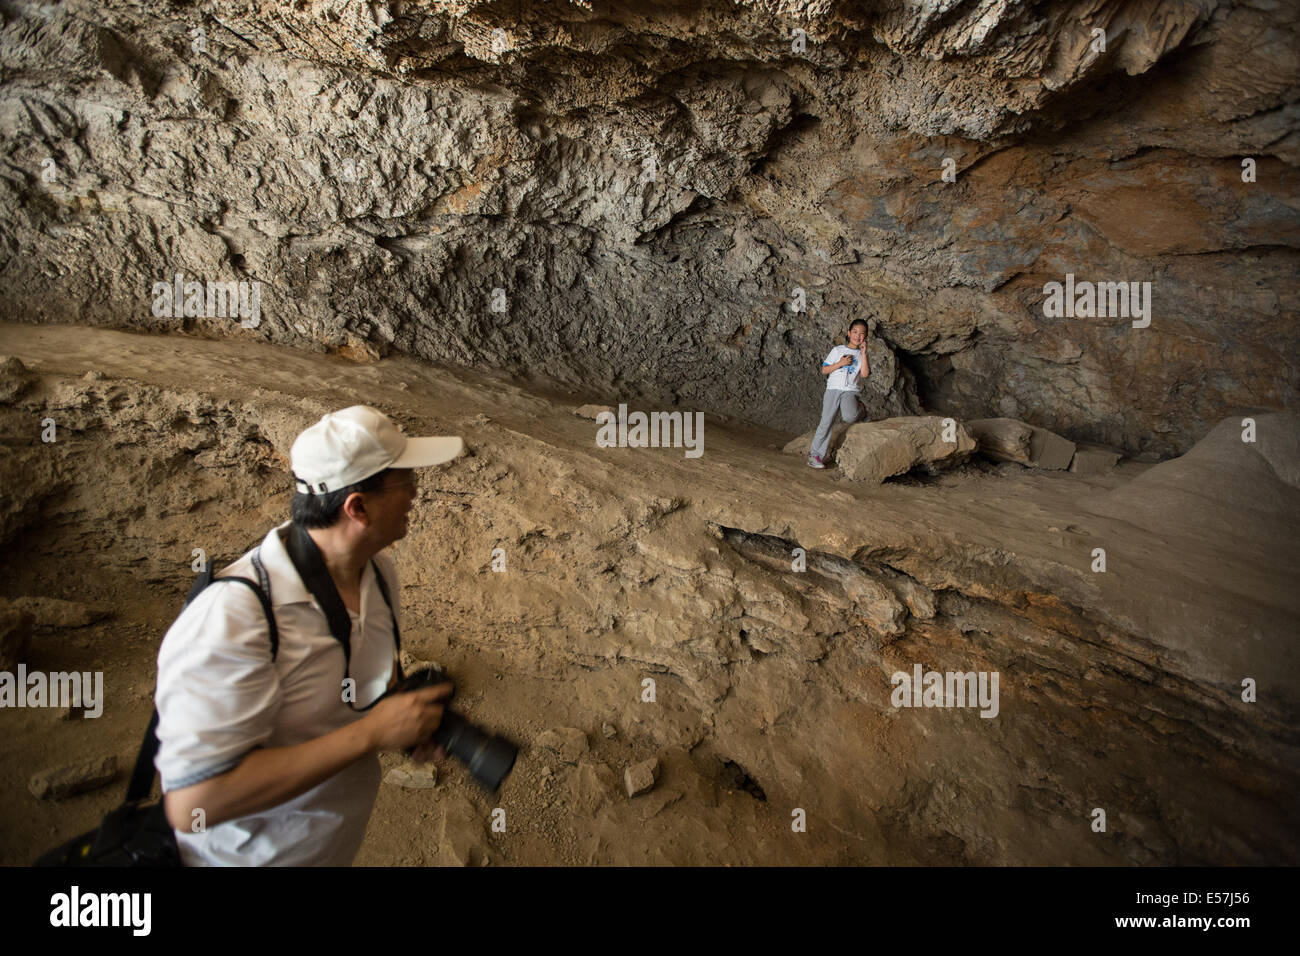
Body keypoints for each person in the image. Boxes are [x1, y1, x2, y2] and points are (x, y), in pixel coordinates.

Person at [154, 405, 464, 865]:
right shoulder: (235, 618)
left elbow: (363, 685)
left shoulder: (375, 573)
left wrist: (404, 714)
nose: (416, 493)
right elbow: (192, 804)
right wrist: (371, 733)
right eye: (406, 483)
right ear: (357, 507)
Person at [808, 319, 870, 468]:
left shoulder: (862, 354)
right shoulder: (837, 350)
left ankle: (861, 410)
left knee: (849, 417)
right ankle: (815, 456)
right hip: (833, 389)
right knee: (826, 421)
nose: (858, 336)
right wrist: (840, 364)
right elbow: (824, 370)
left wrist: (864, 353)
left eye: (862, 334)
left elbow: (865, 374)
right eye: (855, 332)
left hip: (850, 391)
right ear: (849, 333)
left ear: (865, 337)